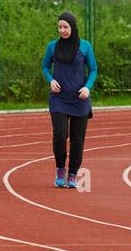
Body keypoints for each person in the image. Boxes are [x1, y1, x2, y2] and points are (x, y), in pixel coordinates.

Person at [41, 10, 97, 189]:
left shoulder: (85, 46)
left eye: (65, 27)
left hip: (79, 100)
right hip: (59, 99)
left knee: (77, 139)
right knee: (59, 135)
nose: (62, 30)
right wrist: (51, 80)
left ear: (73, 27)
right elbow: (45, 66)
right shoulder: (52, 46)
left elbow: (94, 70)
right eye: (59, 27)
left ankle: (72, 173)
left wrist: (87, 87)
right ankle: (60, 169)